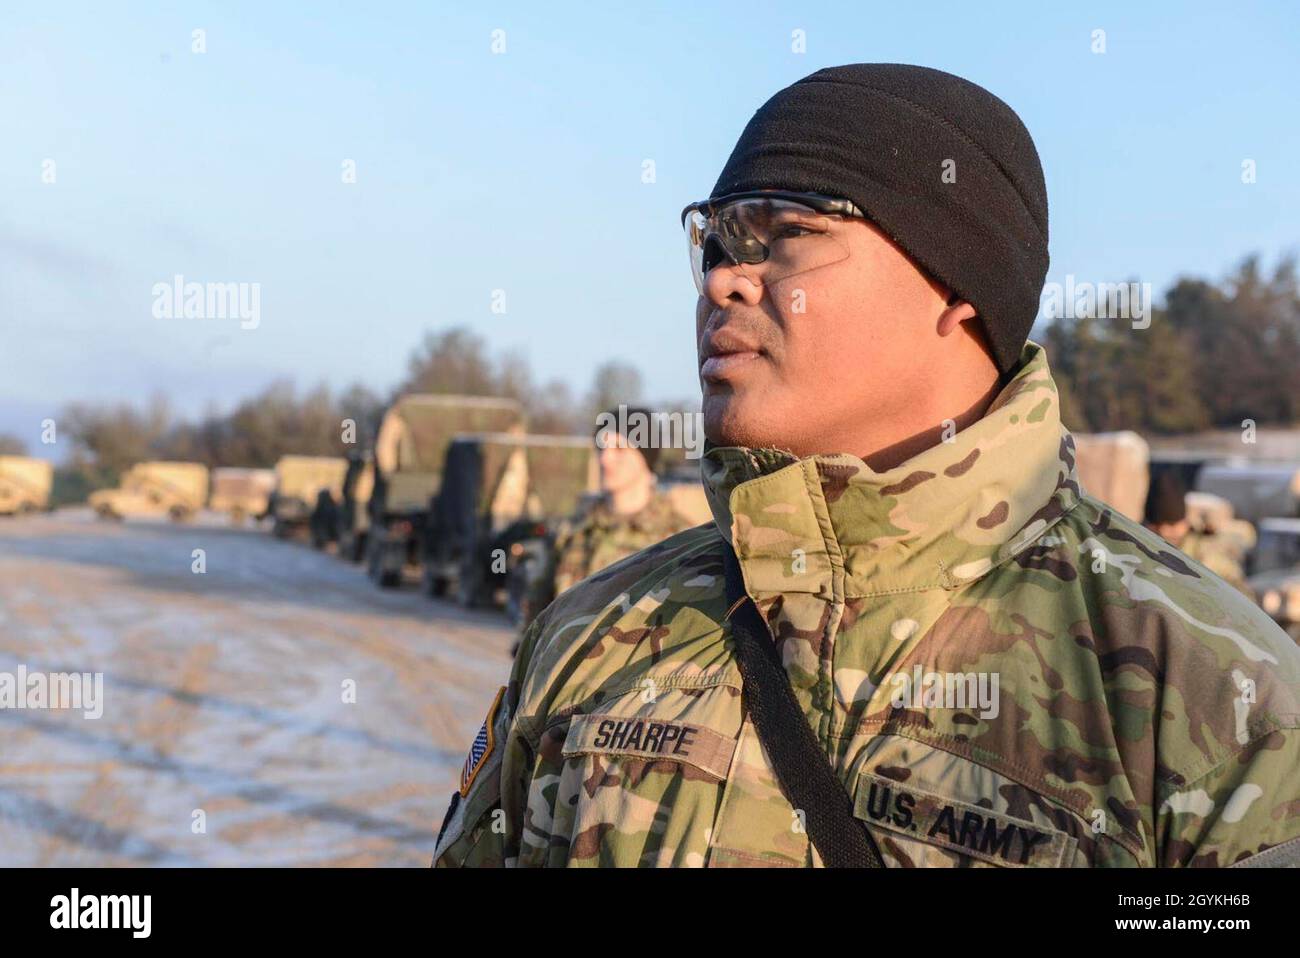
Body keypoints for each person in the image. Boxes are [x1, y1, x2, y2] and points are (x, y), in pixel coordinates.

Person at [435, 64, 1300, 868]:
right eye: (717, 243)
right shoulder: (588, 635)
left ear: (958, 281)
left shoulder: (1214, 698)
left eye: (787, 234)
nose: (725, 282)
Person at [513, 410, 696, 638]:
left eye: (619, 449)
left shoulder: (680, 539)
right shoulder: (573, 531)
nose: (605, 459)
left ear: (645, 458)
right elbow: (536, 615)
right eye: (602, 448)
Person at [1145, 472, 1251, 597]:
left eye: (1171, 525)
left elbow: (1243, 599)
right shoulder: (1136, 548)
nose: (1164, 532)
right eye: (1156, 525)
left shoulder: (1209, 557)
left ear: (1185, 523)